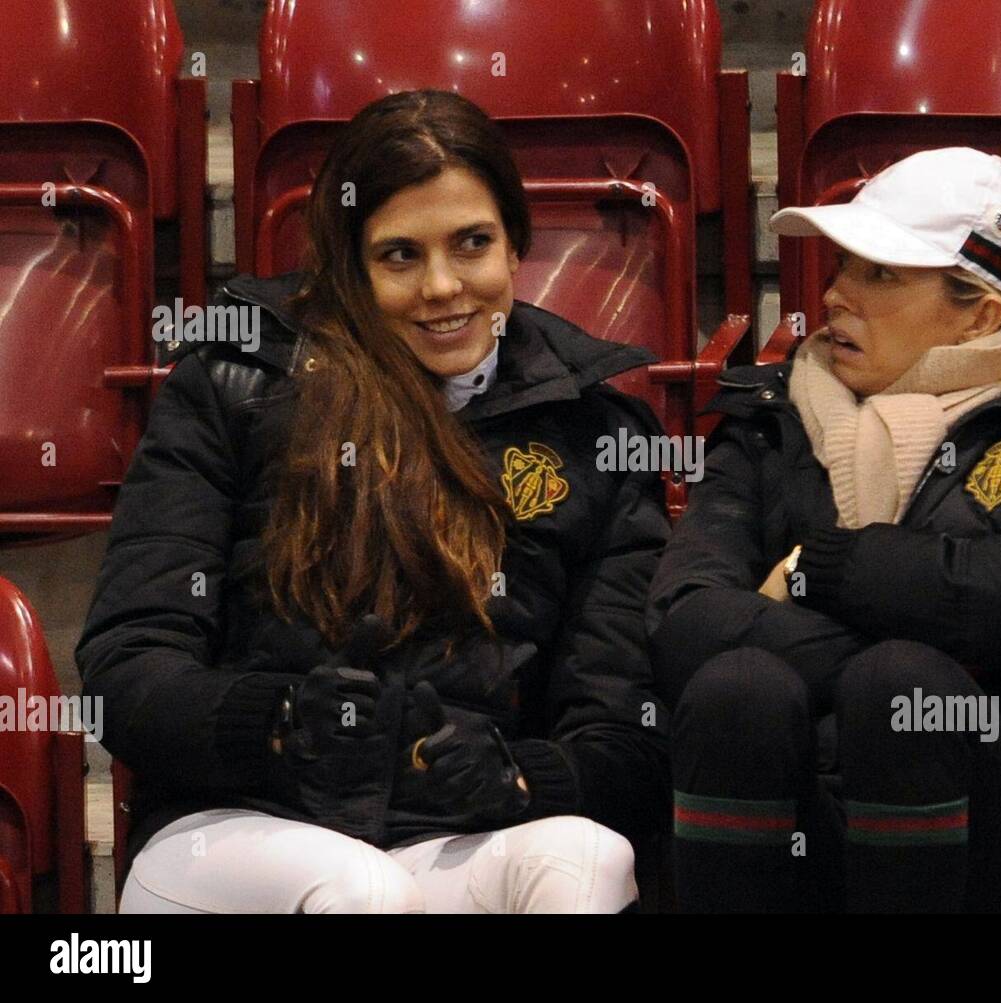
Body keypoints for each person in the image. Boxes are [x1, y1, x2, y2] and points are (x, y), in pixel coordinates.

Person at [77, 89, 671, 914]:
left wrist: (525, 774)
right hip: (234, 827)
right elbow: (122, 670)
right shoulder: (232, 383)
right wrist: (273, 720)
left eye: (473, 244)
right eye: (399, 255)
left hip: (451, 838)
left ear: (515, 245)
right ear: (350, 263)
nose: (442, 286)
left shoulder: (593, 428)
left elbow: (623, 722)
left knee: (587, 856)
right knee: (364, 891)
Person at [646, 147, 1001, 913]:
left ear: (983, 310)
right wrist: (890, 650)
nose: (835, 293)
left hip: (994, 837)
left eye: (880, 274)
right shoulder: (768, 420)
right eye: (844, 265)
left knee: (903, 693)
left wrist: (822, 570)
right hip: (800, 806)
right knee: (739, 688)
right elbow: (683, 619)